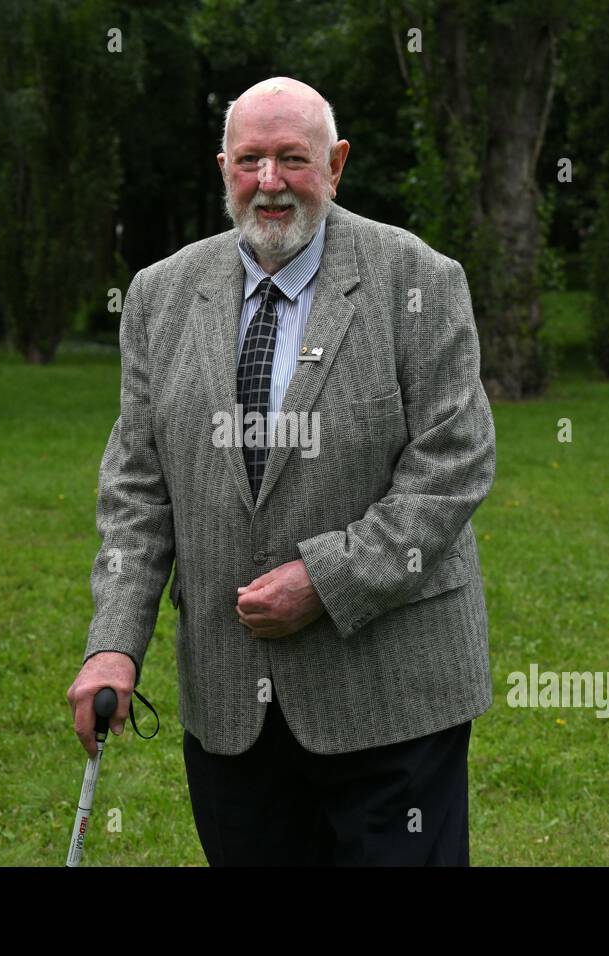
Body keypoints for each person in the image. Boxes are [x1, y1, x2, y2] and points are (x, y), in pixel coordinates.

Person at [66, 76, 497, 866]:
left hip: (394, 697)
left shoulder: (419, 281)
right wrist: (114, 645)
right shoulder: (159, 297)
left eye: (292, 159)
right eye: (250, 160)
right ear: (224, 166)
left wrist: (326, 581)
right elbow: (137, 487)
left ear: (335, 164)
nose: (270, 183)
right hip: (232, 709)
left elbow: (453, 464)